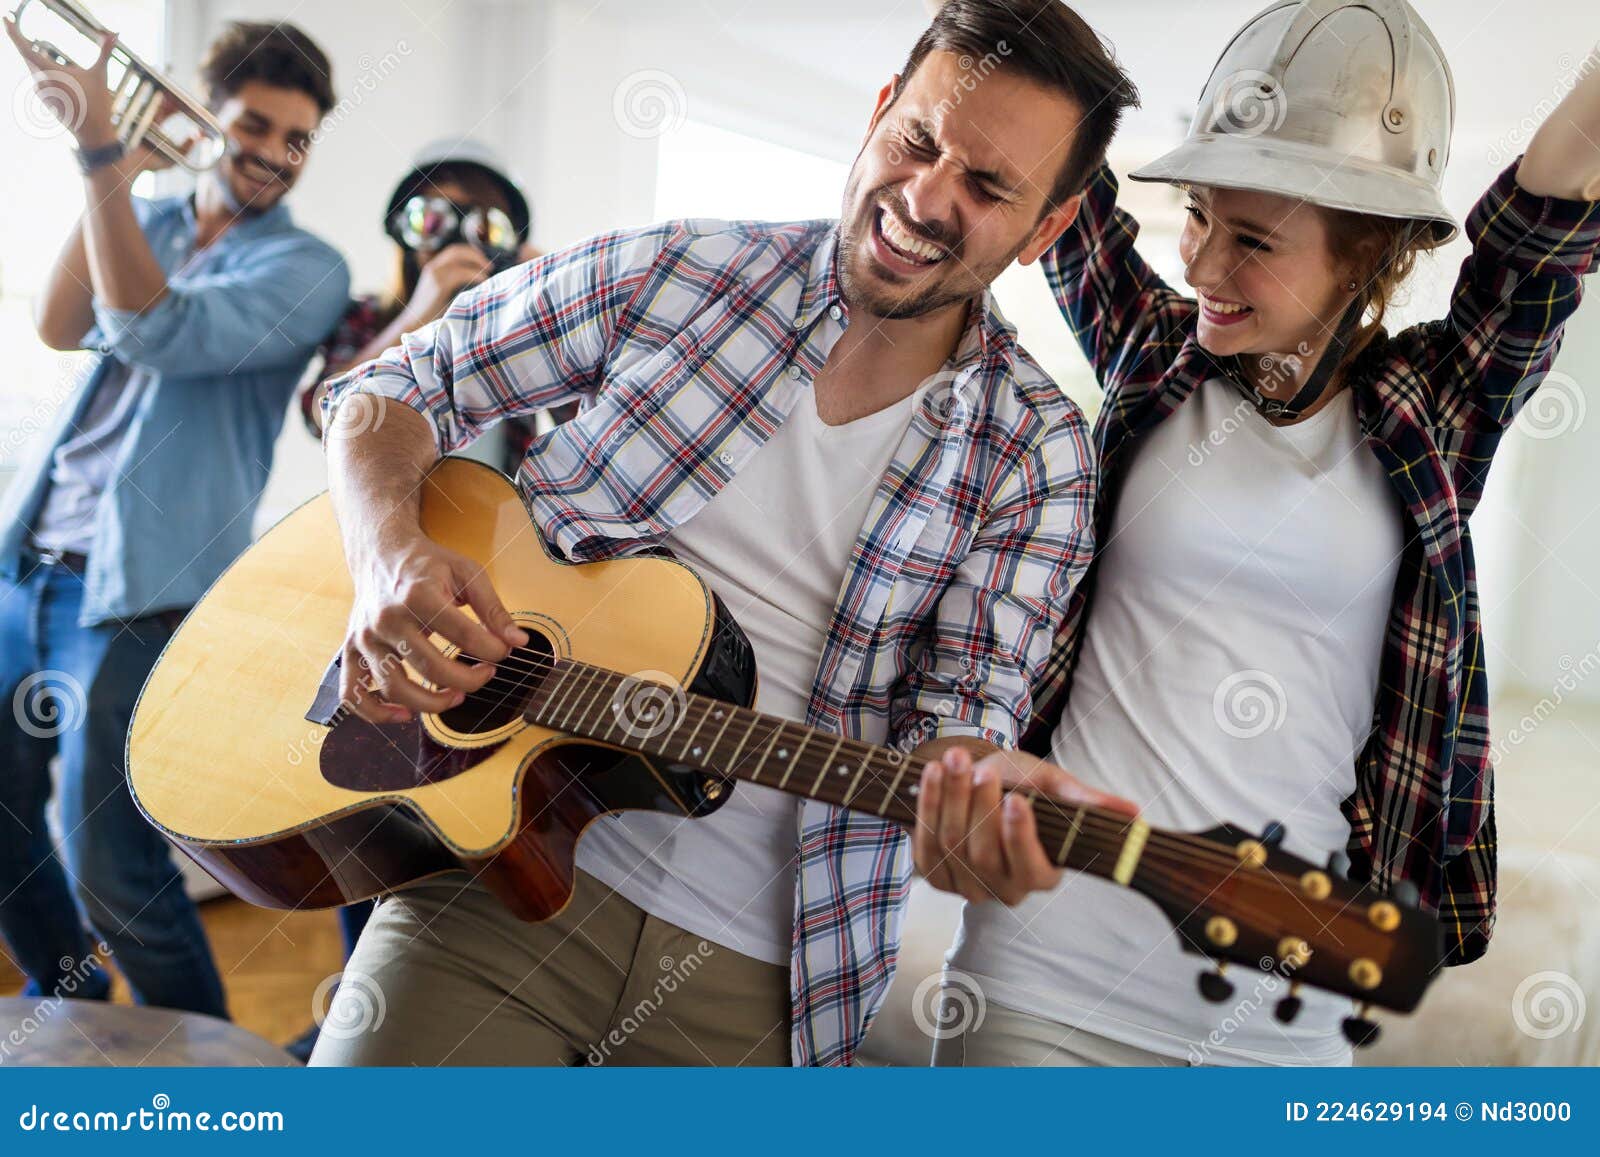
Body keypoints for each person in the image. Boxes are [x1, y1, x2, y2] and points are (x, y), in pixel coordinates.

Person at [311, 0, 1139, 1067]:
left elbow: (964, 711)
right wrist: (386, 552)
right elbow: (391, 385)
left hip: (766, 975)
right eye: (917, 142)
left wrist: (971, 797)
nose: (927, 198)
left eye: (988, 187)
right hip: (492, 878)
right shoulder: (683, 270)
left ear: (1047, 231)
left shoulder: (1040, 452)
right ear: (878, 113)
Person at [913, 0, 1600, 1067]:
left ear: (1362, 257)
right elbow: (1054, 150)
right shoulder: (1152, 354)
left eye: (1253, 241)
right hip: (1045, 973)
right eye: (1197, 215)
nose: (1200, 266)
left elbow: (1540, 231)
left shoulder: (1430, 412)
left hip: (1287, 1004)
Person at [0, 19, 350, 1015]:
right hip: (30, 564)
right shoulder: (145, 217)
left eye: (297, 138)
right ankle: (68, 998)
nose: (274, 154)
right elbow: (60, 324)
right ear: (211, 115)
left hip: (143, 590)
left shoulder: (308, 269)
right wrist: (117, 172)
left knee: (109, 863)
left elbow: (155, 329)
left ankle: (206, 1060)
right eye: (254, 125)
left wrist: (100, 152)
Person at [285, 138, 536, 1062]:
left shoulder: (519, 336)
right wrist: (428, 309)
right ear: (405, 228)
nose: (459, 232)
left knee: (453, 802)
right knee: (363, 801)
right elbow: (327, 411)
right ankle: (354, 1006)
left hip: (483, 600)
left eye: (485, 219)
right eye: (437, 212)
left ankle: (424, 1006)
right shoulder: (367, 315)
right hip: (368, 589)